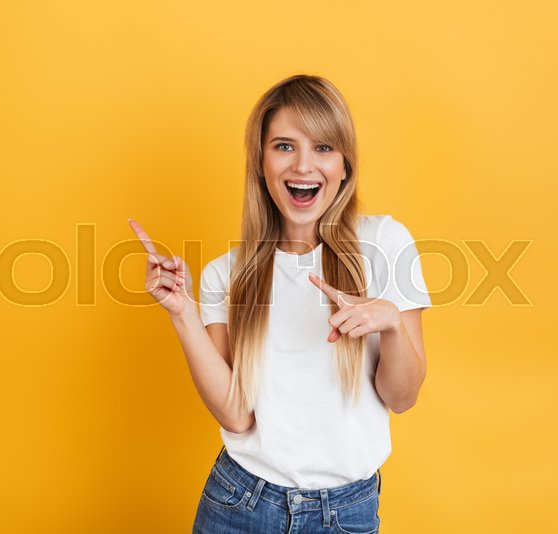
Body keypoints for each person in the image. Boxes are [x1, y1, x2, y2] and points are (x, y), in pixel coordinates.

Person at [128, 74, 432, 533]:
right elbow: (236, 416)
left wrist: (389, 323)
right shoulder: (224, 275)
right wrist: (184, 313)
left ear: (345, 165)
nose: (303, 165)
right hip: (238, 503)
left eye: (323, 147)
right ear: (261, 162)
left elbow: (403, 397)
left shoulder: (385, 243)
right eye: (284, 146)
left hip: (345, 514)